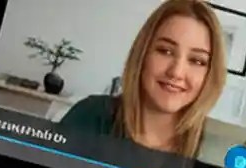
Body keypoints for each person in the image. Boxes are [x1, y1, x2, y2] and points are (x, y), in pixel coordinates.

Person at [59, 0, 227, 158]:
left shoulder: (215, 153)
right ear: (143, 53)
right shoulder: (89, 116)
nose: (176, 72)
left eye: (197, 61)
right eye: (165, 51)